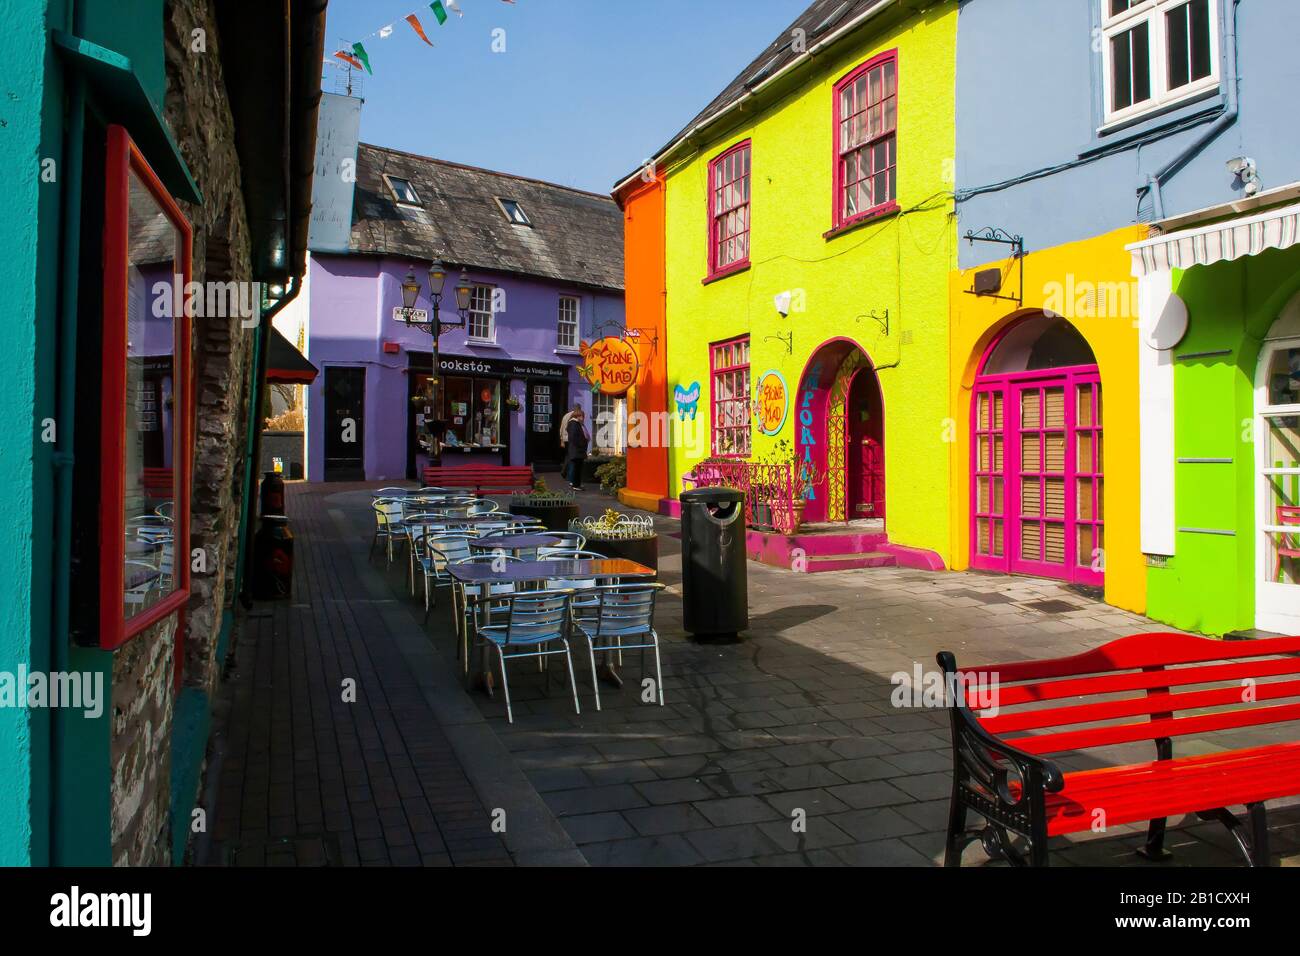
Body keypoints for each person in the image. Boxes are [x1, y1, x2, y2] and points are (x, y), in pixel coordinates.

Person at [564, 408, 590, 490]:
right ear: (578, 416)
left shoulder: (577, 424)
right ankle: (575, 485)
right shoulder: (573, 424)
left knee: (578, 468)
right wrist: (581, 444)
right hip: (577, 450)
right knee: (576, 468)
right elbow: (573, 437)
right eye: (582, 416)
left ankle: (576, 484)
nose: (583, 418)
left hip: (578, 450)